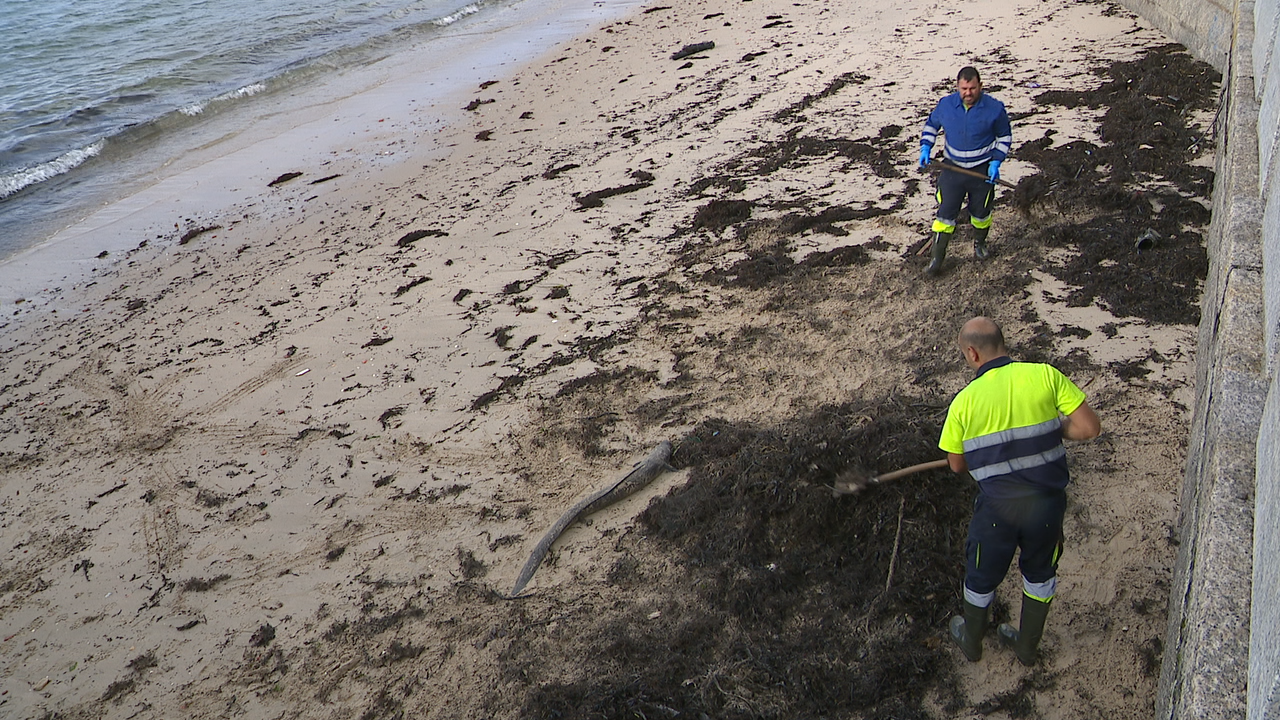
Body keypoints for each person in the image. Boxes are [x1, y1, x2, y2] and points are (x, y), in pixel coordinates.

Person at [939, 317, 1101, 665]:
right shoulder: (1044, 375)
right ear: (1002, 342)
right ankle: (1027, 647)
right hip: (1046, 505)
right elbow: (1089, 428)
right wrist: (1052, 430)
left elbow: (956, 465)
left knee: (982, 577)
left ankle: (971, 639)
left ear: (972, 352)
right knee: (1040, 572)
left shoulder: (963, 403)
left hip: (997, 511)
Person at [918, 67, 1012, 275]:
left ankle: (980, 244)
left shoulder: (994, 108)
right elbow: (931, 125)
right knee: (944, 216)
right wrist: (926, 146)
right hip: (953, 170)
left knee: (981, 214)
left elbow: (1004, 137)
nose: (968, 93)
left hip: (982, 171)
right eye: (963, 89)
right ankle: (936, 260)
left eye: (972, 88)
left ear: (980, 86)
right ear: (957, 87)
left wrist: (996, 163)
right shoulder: (946, 105)